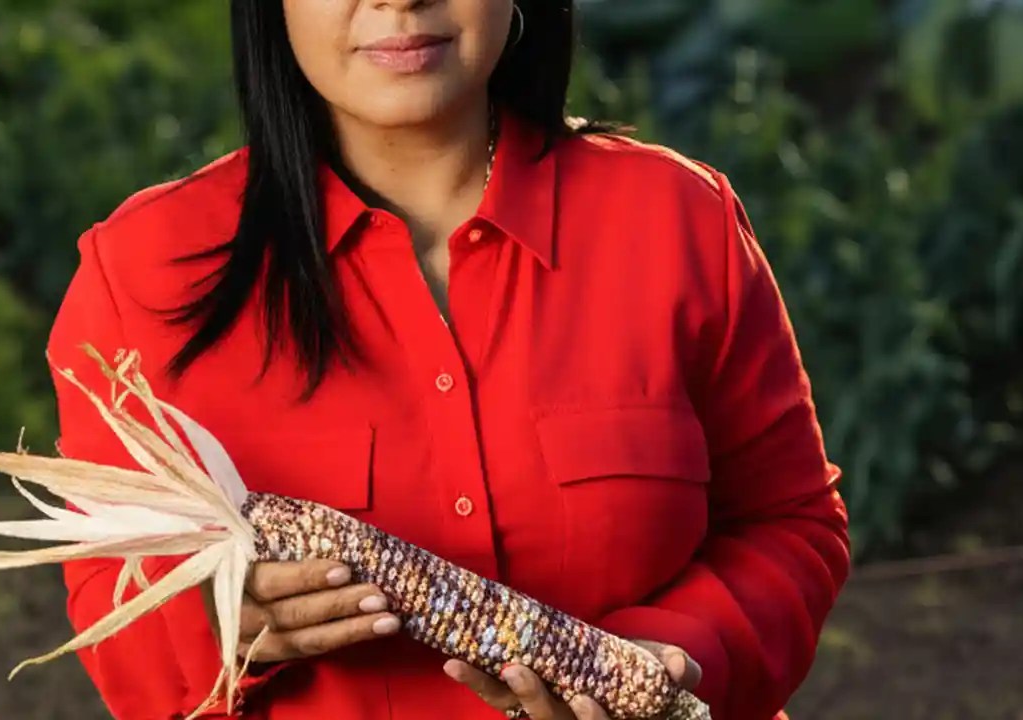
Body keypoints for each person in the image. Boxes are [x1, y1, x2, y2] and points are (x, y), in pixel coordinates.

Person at [47, 1, 851, 719]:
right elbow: (109, 608)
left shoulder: (677, 220)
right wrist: (219, 625)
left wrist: (673, 657)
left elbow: (789, 525)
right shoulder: (143, 270)